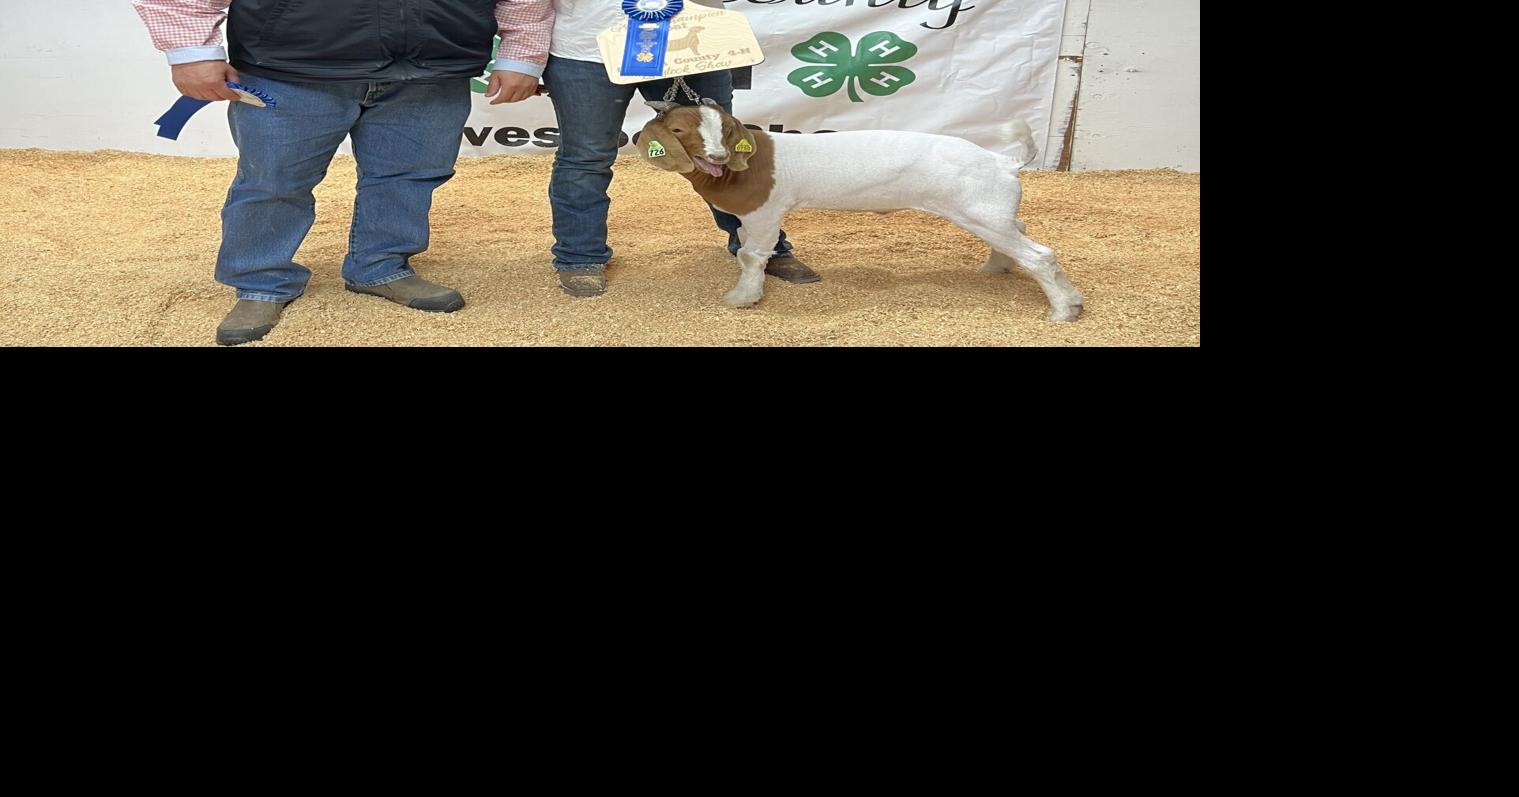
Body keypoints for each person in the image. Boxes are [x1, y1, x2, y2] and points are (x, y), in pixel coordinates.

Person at [132, 0, 554, 345]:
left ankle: (381, 266)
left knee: (410, 176)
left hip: (433, 71)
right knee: (272, 182)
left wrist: (522, 54)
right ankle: (260, 281)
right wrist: (192, 53)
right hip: (288, 70)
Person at [542, 0, 819, 297]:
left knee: (723, 151)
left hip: (692, 47)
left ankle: (763, 246)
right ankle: (580, 256)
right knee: (585, 157)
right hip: (586, 47)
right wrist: (523, 60)